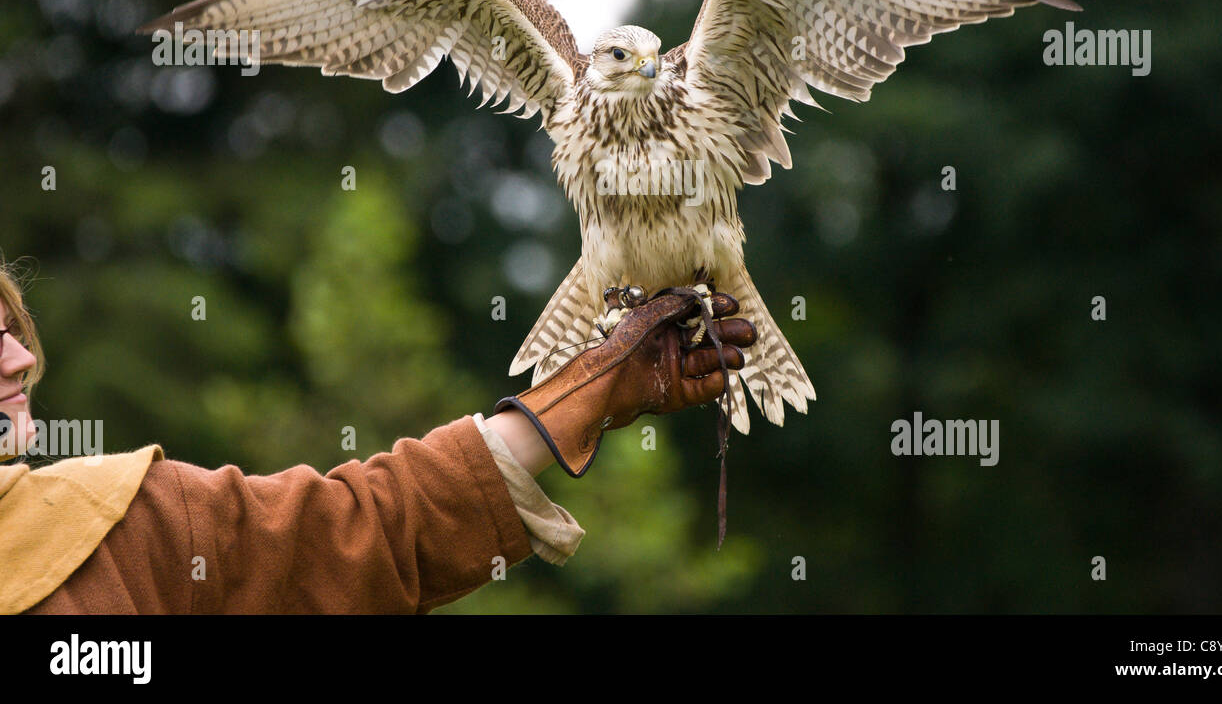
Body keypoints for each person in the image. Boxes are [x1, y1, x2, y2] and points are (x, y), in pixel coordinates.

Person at [0, 258, 754, 613]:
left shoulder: (111, 525)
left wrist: (572, 401)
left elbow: (355, 533)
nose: (21, 357)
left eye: (12, 331)